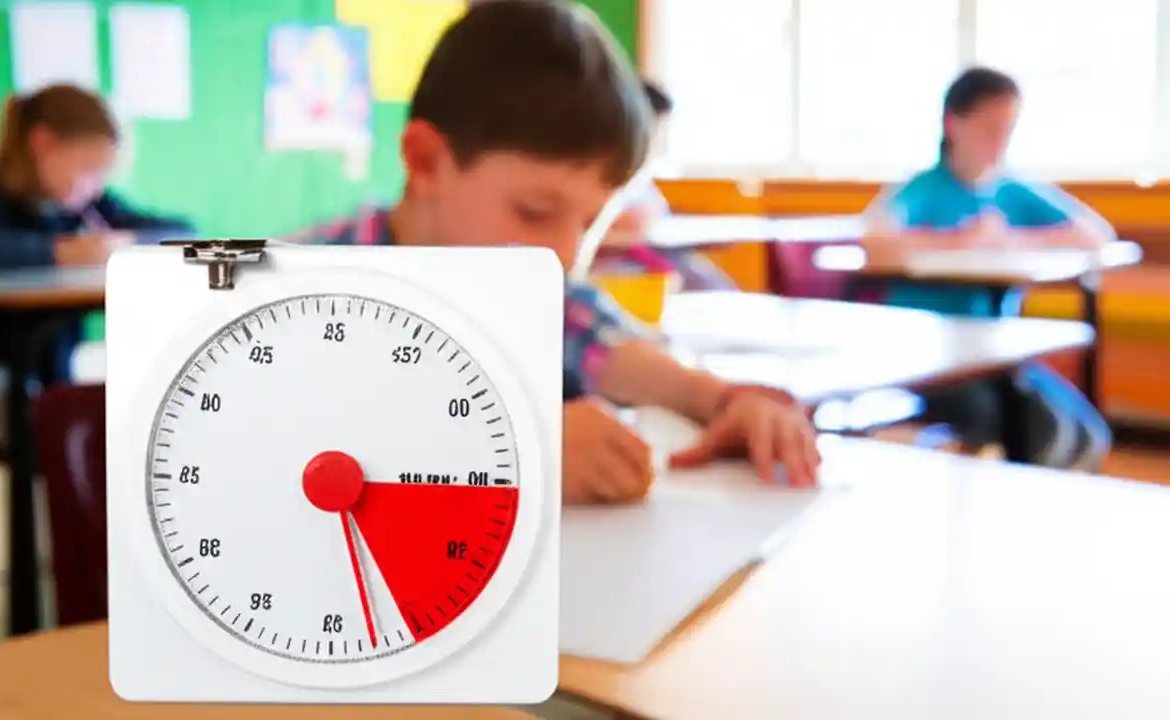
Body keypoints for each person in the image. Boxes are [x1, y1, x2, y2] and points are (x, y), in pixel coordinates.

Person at [291, 0, 820, 504]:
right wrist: (519, 448)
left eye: (591, 223)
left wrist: (724, 401)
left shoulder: (526, 289)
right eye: (536, 210)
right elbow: (274, 436)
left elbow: (601, 342)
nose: (566, 253)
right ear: (426, 161)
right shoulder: (300, 281)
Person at [863, 67, 1113, 470]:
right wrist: (957, 241)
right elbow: (874, 243)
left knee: (1086, 435)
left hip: (1002, 356)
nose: (998, 142)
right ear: (953, 124)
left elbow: (1095, 234)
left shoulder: (1010, 189)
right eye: (988, 129)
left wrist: (1012, 239)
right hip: (934, 357)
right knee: (1032, 433)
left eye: (1006, 129)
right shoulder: (924, 188)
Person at [0, 83, 193, 448]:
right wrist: (63, 252)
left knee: (141, 424)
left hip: (54, 377)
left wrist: (126, 241)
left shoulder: (87, 205)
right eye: (87, 168)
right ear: (42, 144)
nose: (95, 185)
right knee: (59, 439)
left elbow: (182, 230)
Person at [592, 79, 736, 291]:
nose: (657, 136)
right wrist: (632, 235)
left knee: (714, 284)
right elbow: (594, 236)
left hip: (658, 254)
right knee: (701, 285)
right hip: (621, 263)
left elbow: (654, 219)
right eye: (655, 126)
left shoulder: (641, 173)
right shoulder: (604, 172)